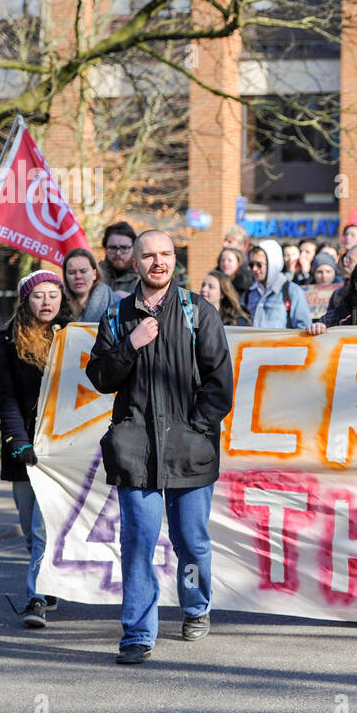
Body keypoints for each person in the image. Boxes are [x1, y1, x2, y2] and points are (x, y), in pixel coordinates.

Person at [86, 230, 235, 665]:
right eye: (149, 255)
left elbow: (219, 384)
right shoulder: (117, 316)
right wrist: (130, 347)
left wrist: (197, 428)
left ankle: (195, 605)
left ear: (175, 260)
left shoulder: (198, 312)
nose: (158, 262)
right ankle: (137, 632)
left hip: (190, 449)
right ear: (134, 263)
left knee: (191, 540)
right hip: (135, 450)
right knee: (138, 542)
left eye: (166, 254)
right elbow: (99, 377)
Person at [0, 271, 70, 629]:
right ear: (26, 300)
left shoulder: (73, 336)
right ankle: (48, 576)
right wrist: (19, 440)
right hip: (22, 445)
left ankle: (35, 597)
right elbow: (6, 398)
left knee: (43, 527)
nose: (47, 302)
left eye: (53, 295)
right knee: (29, 526)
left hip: (60, 449)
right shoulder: (8, 342)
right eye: (39, 295)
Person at [244, 239, 311, 329]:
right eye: (251, 265)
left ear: (273, 263)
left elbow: (303, 329)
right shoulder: (249, 293)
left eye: (259, 264)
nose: (254, 269)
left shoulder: (293, 291)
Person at [62, 247, 115, 322]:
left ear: (94, 274)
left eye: (83, 271)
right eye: (72, 272)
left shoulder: (116, 303)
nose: (78, 277)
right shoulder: (57, 305)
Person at [98, 222, 140, 297]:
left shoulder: (145, 277)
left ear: (134, 248)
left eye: (124, 248)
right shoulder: (94, 275)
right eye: (113, 248)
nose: (118, 253)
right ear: (105, 248)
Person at [303, 251, 341, 321]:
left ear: (334, 272)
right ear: (313, 273)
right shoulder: (303, 291)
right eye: (319, 272)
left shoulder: (343, 291)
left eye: (328, 271)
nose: (324, 276)